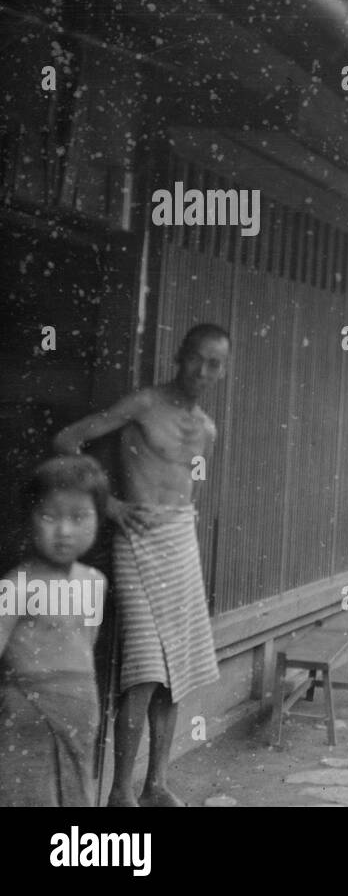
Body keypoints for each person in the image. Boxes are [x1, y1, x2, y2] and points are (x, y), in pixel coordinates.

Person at [53, 323, 229, 807]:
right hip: (136, 541)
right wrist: (107, 505)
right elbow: (69, 440)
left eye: (214, 363)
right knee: (145, 668)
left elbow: (188, 486)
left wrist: (179, 522)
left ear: (222, 371)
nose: (202, 370)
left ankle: (156, 783)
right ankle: (120, 791)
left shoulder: (208, 430)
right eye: (196, 358)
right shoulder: (144, 405)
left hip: (179, 543)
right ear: (180, 356)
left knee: (178, 674)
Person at [0, 455, 110, 806]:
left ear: (98, 518)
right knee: (28, 790)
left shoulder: (95, 582)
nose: (64, 531)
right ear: (29, 519)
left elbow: (86, 645)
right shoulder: (16, 586)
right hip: (26, 706)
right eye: (49, 516)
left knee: (77, 791)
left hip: (81, 706)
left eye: (79, 517)